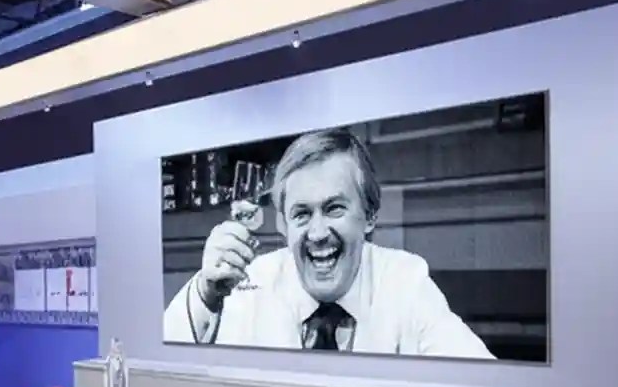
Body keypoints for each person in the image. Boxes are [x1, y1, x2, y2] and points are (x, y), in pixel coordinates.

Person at [162, 129, 494, 358]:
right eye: (302, 214)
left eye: (334, 208)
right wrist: (206, 294)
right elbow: (157, 365)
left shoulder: (404, 282)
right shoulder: (251, 283)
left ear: (370, 215)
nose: (318, 233)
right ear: (282, 224)